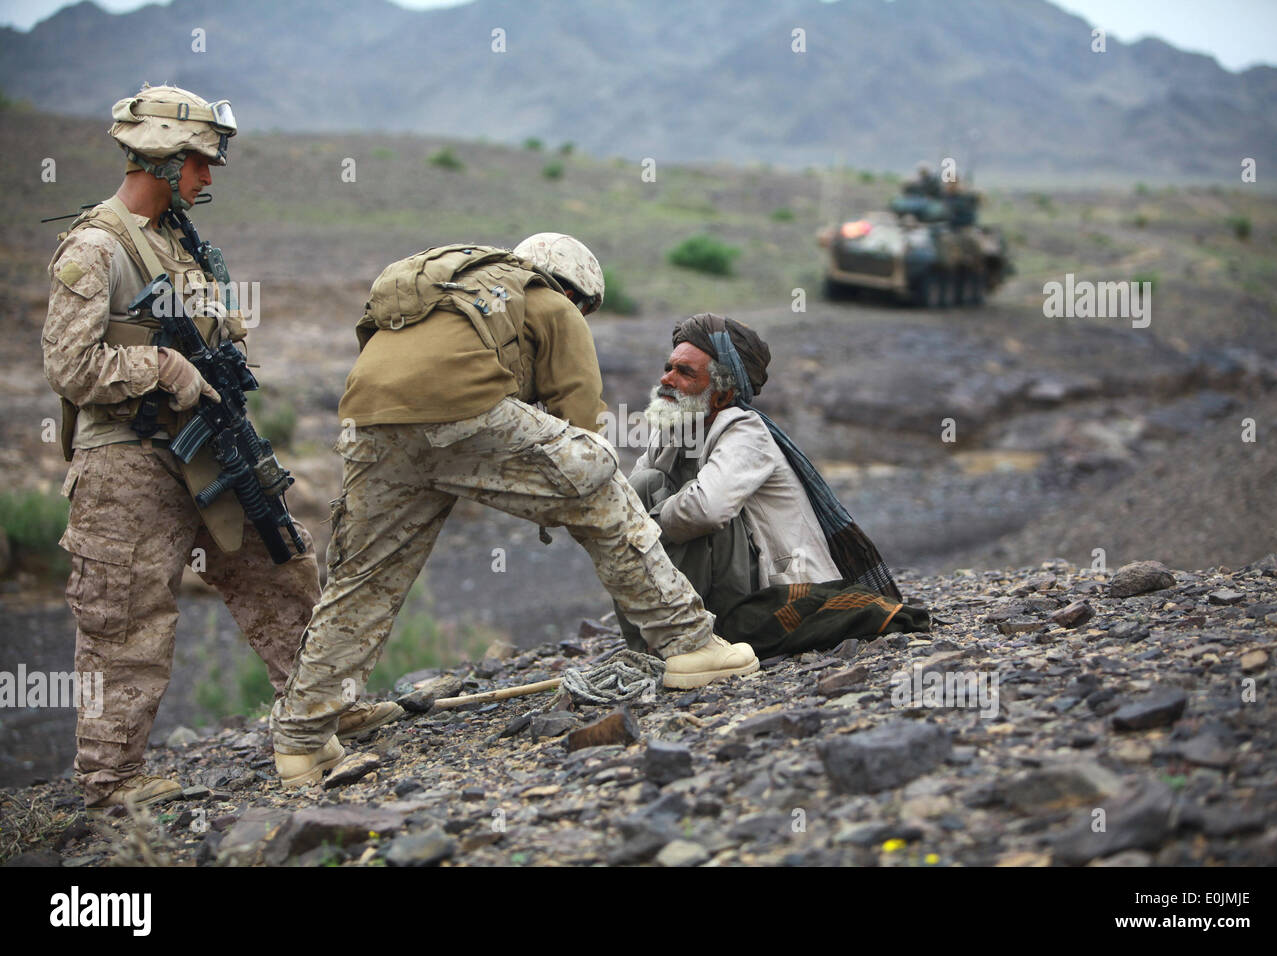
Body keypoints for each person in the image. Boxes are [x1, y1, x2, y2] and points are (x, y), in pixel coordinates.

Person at [270, 235, 759, 787]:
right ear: (575, 290)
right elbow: (584, 427)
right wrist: (574, 492)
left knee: (364, 575)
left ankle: (303, 740)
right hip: (463, 410)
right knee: (601, 487)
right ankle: (689, 642)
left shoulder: (446, 298)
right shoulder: (549, 301)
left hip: (370, 417)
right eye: (587, 309)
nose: (582, 317)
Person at [44, 84, 394, 810]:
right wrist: (159, 366)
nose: (209, 178)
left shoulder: (181, 245)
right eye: (200, 163)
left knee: (281, 564)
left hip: (210, 445)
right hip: (128, 461)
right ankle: (112, 783)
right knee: (127, 616)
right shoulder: (97, 247)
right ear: (163, 160)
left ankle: (323, 709)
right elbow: (70, 368)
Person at [622, 313, 931, 658]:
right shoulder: (673, 429)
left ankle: (688, 636)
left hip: (775, 587)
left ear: (722, 394)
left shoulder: (744, 431)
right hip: (725, 580)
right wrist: (632, 527)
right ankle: (653, 643)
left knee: (696, 515)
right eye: (669, 367)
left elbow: (706, 510)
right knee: (644, 485)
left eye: (684, 372)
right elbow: (629, 500)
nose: (667, 379)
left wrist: (644, 530)